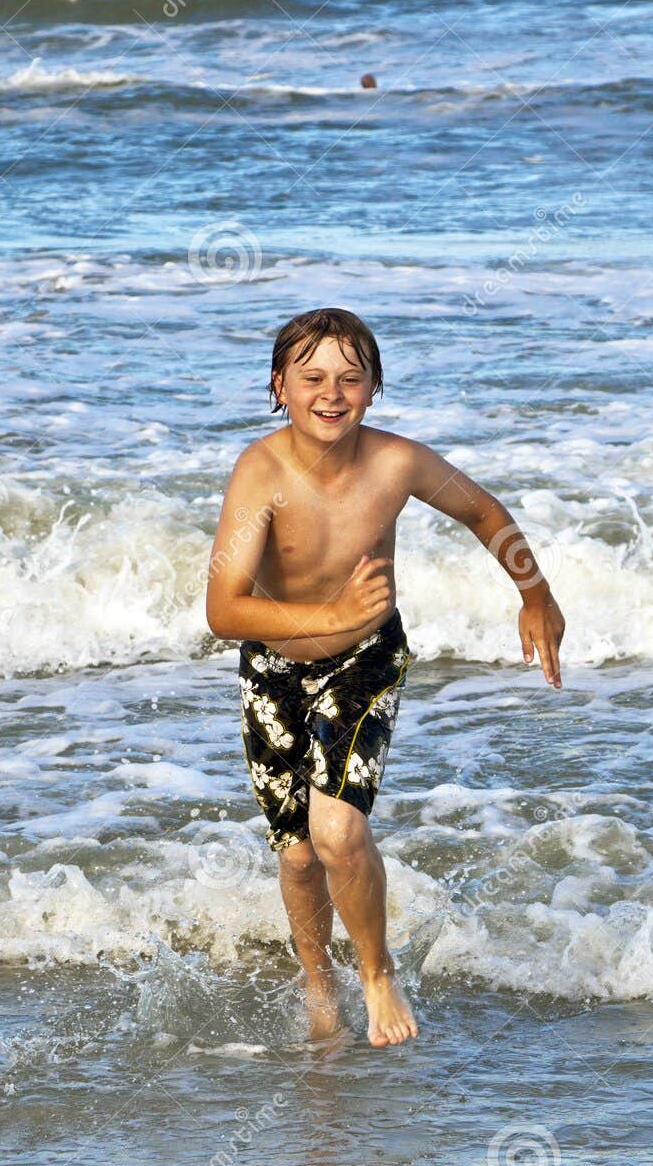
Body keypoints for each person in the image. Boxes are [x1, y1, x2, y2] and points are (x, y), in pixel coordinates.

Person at [206, 308, 565, 1048]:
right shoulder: (261, 472)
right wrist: (328, 607)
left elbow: (483, 512)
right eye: (311, 378)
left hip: (365, 660)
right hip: (272, 668)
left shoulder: (397, 463)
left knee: (337, 831)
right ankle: (316, 978)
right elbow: (222, 608)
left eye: (350, 378)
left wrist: (536, 595)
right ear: (279, 387)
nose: (330, 393)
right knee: (298, 852)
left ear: (373, 389)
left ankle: (375, 971)